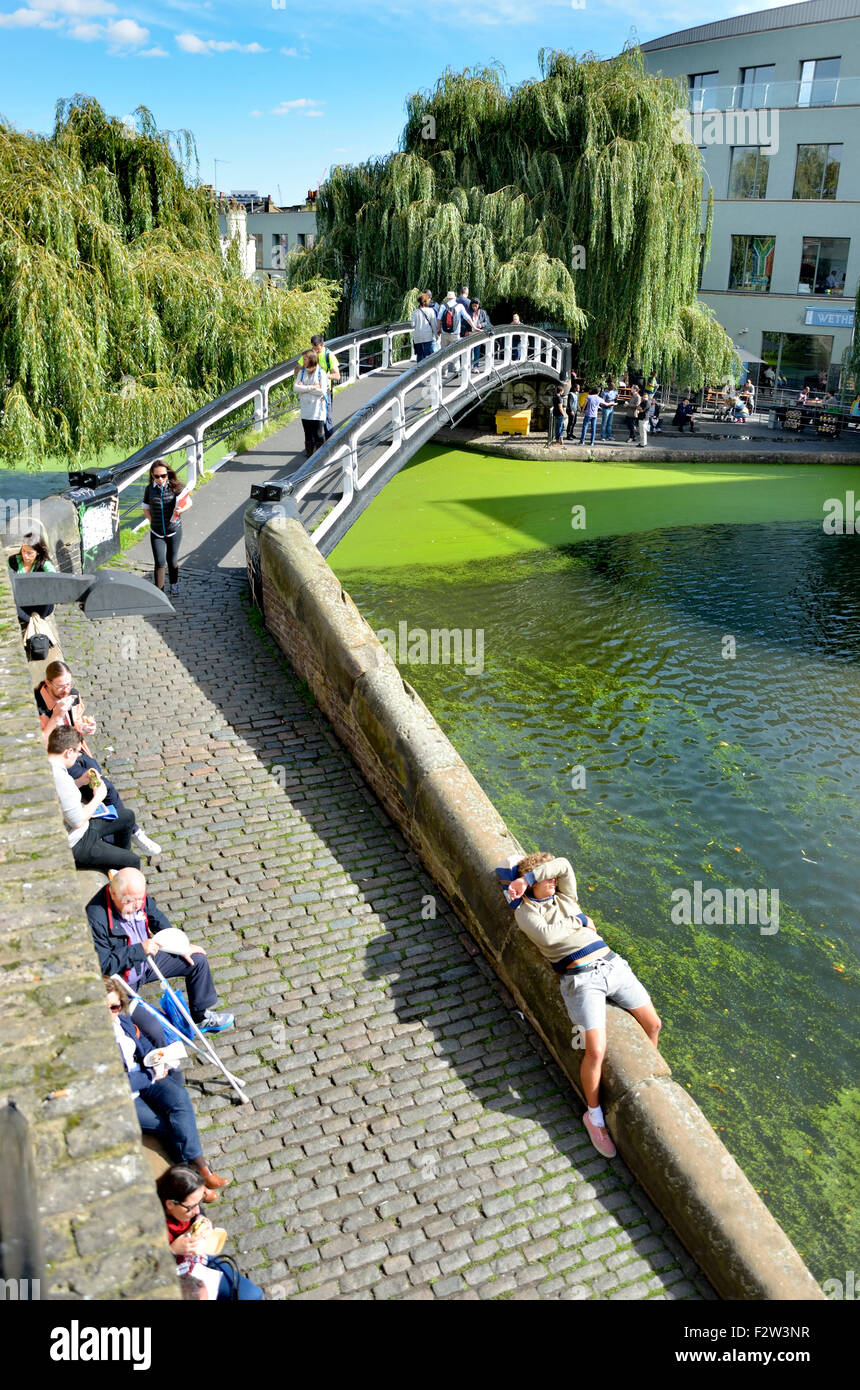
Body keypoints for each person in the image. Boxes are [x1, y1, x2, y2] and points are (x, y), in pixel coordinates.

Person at [504, 852, 660, 1157]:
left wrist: (530, 878)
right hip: (581, 978)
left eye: (548, 877)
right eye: (544, 879)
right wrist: (581, 920)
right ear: (529, 889)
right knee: (596, 1050)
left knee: (654, 1024)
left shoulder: (564, 897)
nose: (552, 881)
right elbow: (549, 937)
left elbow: (564, 863)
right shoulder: (525, 914)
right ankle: (594, 1115)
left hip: (613, 966)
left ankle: (645, 1083)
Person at [104, 980, 229, 1200]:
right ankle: (197, 1184)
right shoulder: (96, 1041)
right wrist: (151, 1074)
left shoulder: (121, 1021)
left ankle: (201, 1169)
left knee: (179, 1098)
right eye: (103, 1008)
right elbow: (117, 1083)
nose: (110, 1012)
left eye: (114, 1007)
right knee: (168, 1126)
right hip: (125, 1095)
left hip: (146, 1074)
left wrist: (161, 1057)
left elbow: (142, 1045)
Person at [36, 661, 161, 857]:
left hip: (80, 751)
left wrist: (85, 728)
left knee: (99, 780)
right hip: (62, 758)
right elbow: (39, 744)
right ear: (47, 683)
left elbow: (76, 725)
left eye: (68, 684)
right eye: (60, 686)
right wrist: (55, 717)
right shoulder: (39, 706)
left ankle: (126, 834)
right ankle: (132, 833)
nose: (65, 690)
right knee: (104, 788)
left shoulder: (73, 695)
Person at [87, 868, 234, 1033]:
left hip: (148, 959)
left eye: (139, 899)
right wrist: (139, 950)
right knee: (152, 1030)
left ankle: (201, 1017)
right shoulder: (95, 918)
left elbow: (155, 916)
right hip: (122, 980)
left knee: (197, 960)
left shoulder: (135, 896)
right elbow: (104, 965)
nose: (136, 906)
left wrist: (180, 945)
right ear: (113, 894)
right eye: (129, 902)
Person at [157, 1166, 264, 1300]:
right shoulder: (149, 1228)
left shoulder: (188, 1208)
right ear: (170, 1204)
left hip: (198, 1262)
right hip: (173, 1279)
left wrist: (200, 1219)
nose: (197, 1210)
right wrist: (172, 1250)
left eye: (200, 1203)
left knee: (252, 1295)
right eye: (191, 1207)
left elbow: (197, 1211)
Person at [47, 727, 141, 873]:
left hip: (81, 828)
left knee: (127, 816)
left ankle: (116, 864)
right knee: (133, 860)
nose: (78, 756)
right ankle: (123, 872)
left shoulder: (49, 764)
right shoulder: (60, 779)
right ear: (68, 752)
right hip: (77, 843)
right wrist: (99, 797)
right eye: (77, 752)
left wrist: (81, 781)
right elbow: (77, 821)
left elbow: (62, 796)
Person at [141, 460, 191, 599]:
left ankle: (174, 584)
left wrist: (181, 509)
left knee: (172, 560)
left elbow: (188, 502)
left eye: (163, 475)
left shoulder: (175, 487)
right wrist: (153, 521)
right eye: (157, 476)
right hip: (157, 532)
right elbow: (145, 508)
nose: (160, 479)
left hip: (174, 530)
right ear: (152, 475)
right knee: (159, 562)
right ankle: (160, 594)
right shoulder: (149, 489)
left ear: (167, 474)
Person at [8, 532, 56, 629]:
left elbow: (54, 580)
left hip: (39, 603)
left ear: (37, 552)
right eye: (23, 550)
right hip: (21, 603)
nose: (25, 556)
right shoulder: (13, 561)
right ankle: (32, 621)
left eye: (29, 553)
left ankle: (37, 619)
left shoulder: (44, 564)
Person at [294, 350, 329, 459]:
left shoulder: (321, 373)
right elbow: (295, 388)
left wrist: (303, 388)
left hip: (317, 409)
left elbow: (322, 391)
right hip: (305, 409)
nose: (303, 362)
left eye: (305, 359)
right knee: (307, 434)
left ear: (311, 360)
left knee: (318, 434)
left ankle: (319, 459)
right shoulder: (301, 373)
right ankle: (309, 457)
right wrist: (312, 387)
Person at [310, 333, 341, 438]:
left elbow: (337, 376)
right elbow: (298, 369)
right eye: (313, 349)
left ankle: (329, 444)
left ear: (322, 345)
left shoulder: (329, 355)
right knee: (313, 418)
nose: (315, 352)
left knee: (327, 417)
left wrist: (325, 375)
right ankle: (315, 444)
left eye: (317, 349)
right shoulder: (310, 354)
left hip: (325, 390)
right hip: (312, 390)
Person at [410, 292, 439, 363]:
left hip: (417, 337)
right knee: (427, 356)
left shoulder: (415, 312)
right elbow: (434, 325)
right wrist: (436, 335)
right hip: (428, 337)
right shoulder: (431, 311)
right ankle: (426, 372)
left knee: (419, 355)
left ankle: (419, 371)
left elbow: (412, 325)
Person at [469, 299, 491, 370]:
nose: (474, 307)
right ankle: (468, 366)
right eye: (473, 305)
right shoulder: (469, 312)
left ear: (479, 305)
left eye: (476, 305)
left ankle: (475, 366)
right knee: (469, 350)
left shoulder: (482, 312)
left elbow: (486, 322)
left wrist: (481, 325)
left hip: (478, 334)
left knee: (477, 350)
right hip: (470, 333)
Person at [565, 370, 580, 438]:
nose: (578, 389)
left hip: (575, 410)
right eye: (577, 388)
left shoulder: (576, 394)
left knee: (574, 422)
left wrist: (579, 408)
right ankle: (568, 434)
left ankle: (571, 433)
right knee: (571, 422)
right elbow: (569, 403)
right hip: (571, 410)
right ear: (574, 388)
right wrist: (571, 410)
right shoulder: (571, 394)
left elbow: (576, 402)